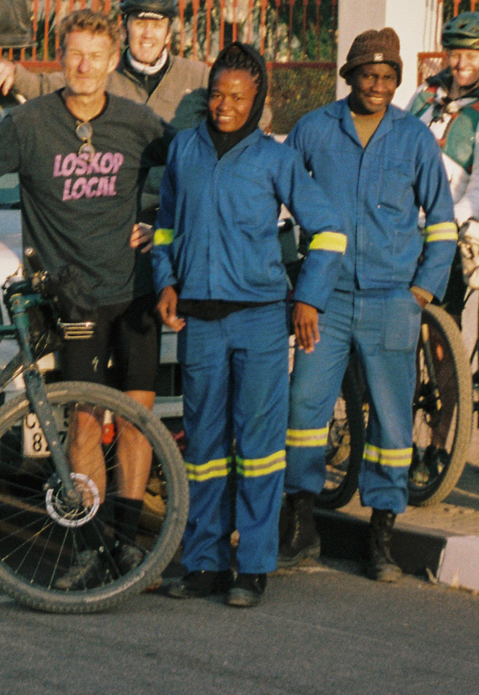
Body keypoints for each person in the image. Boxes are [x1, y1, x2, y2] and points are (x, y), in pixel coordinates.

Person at [0, 7, 172, 591]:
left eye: (96, 55)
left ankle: (123, 544)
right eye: (74, 54)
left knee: (138, 418)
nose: (85, 66)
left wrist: (163, 224)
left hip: (134, 291)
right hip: (73, 295)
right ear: (60, 58)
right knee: (87, 420)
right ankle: (91, 544)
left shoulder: (139, 122)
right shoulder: (29, 123)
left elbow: (192, 174)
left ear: (113, 61)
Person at [152, 41, 346, 608]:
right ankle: (204, 562)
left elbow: (329, 231)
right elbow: (165, 225)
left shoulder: (276, 158)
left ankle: (253, 566)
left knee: (259, 449)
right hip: (201, 325)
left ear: (257, 100)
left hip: (261, 321)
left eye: (237, 96)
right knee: (205, 450)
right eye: (217, 93)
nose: (224, 105)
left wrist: (309, 297)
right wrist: (166, 280)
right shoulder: (184, 150)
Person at [278, 27, 456, 583]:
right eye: (367, 74)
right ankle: (301, 522)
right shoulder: (313, 129)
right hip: (323, 302)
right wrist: (296, 280)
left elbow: (443, 222)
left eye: (388, 77)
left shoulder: (415, 138)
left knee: (391, 418)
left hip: (390, 300)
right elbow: (273, 198)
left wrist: (422, 289)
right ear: (349, 76)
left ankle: (381, 533)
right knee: (305, 409)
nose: (377, 85)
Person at [0, 0, 210, 129]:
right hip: (120, 199)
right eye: (140, 23)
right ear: (124, 29)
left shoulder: (198, 77)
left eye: (157, 25)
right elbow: (43, 86)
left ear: (169, 33)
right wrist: (11, 70)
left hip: (177, 200)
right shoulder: (102, 73)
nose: (148, 34)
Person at [407, 10, 479, 318]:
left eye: (472, 56)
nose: (461, 64)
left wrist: (446, 225)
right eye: (454, 54)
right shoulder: (425, 95)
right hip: (405, 226)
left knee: (442, 321)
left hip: (448, 230)